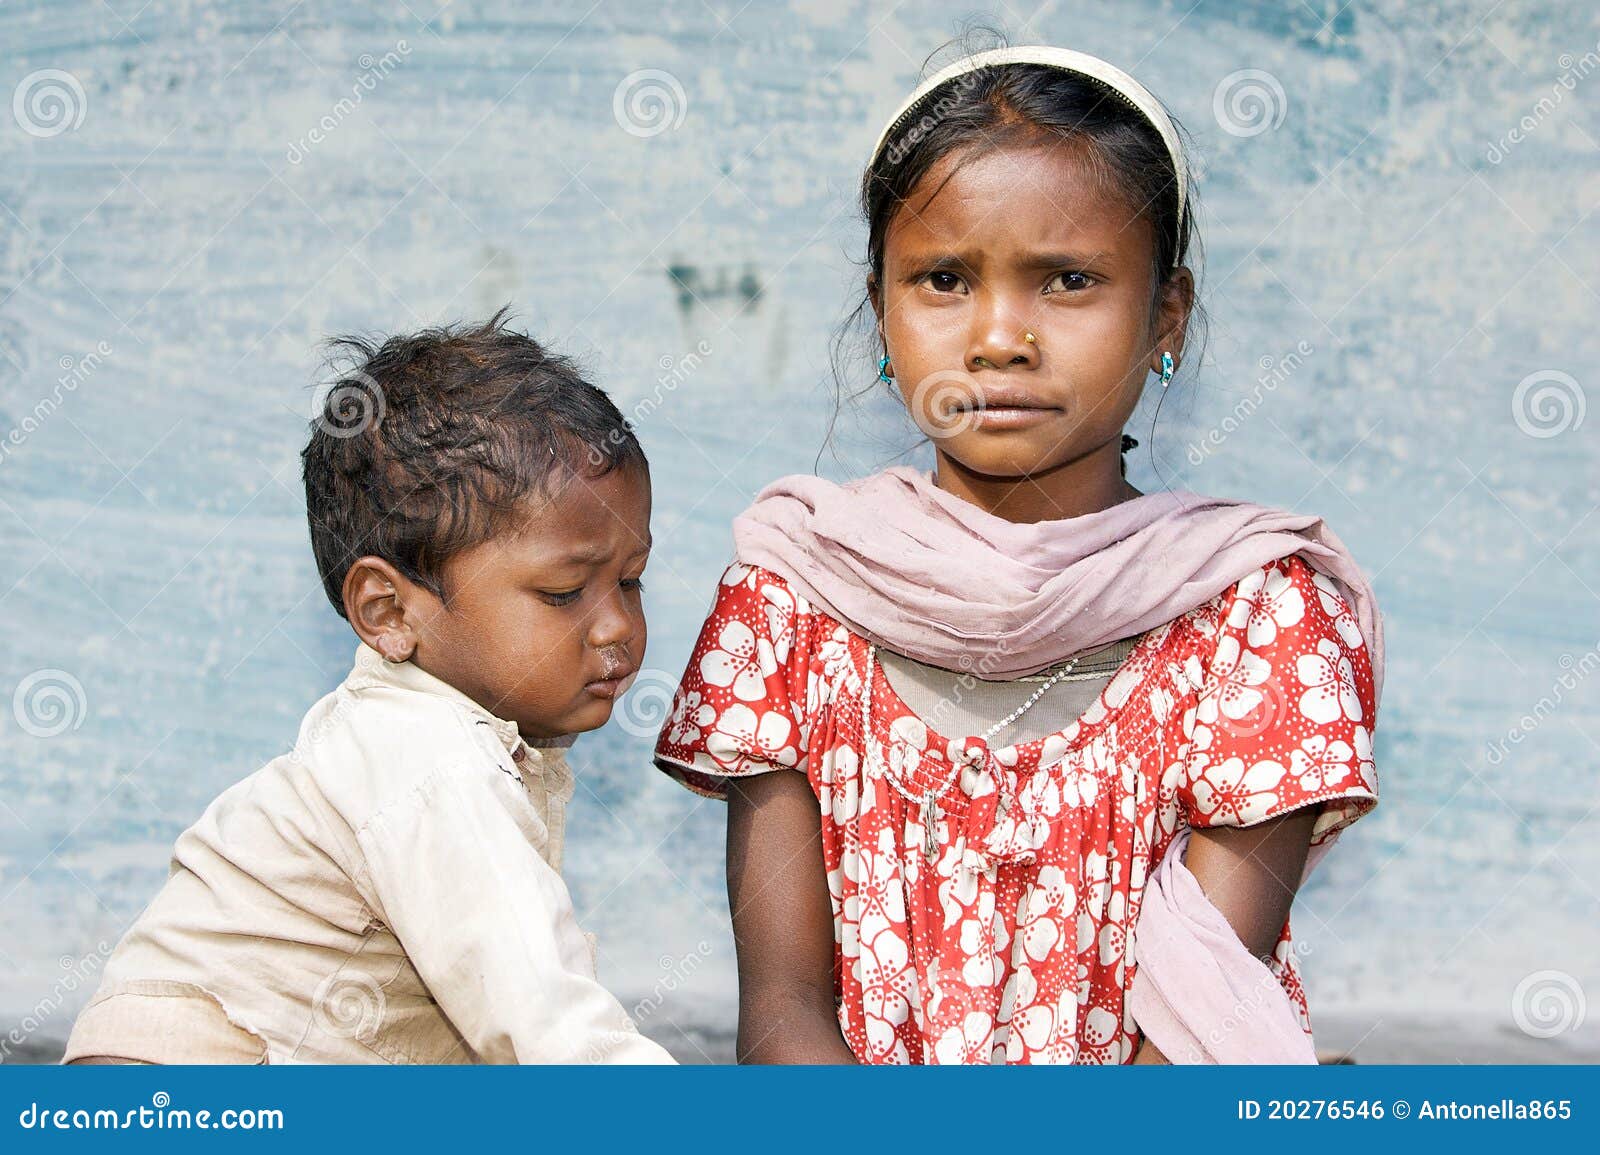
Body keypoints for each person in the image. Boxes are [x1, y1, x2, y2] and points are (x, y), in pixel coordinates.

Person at [653, 40, 1382, 1065]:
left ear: (1163, 313)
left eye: (1068, 280)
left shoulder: (1257, 617)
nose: (999, 337)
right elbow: (781, 1016)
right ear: (881, 312)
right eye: (943, 279)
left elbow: (1190, 1035)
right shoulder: (790, 599)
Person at [64, 310, 673, 1064]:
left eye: (631, 580)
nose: (616, 624)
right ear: (388, 611)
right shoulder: (429, 760)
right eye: (562, 591)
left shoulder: (438, 737)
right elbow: (552, 1024)